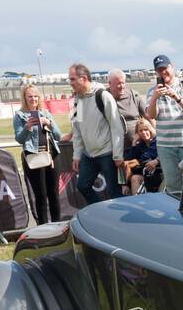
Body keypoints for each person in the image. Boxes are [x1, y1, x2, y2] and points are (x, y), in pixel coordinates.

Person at [68, 62, 123, 205]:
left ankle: (122, 223)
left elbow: (116, 126)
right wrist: (77, 155)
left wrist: (117, 155)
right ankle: (101, 213)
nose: (70, 83)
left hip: (107, 154)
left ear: (84, 78)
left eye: (73, 79)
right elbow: (78, 129)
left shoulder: (103, 96)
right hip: (89, 155)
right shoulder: (78, 101)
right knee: (82, 186)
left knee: (114, 194)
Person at [144, 54, 183, 193]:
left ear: (172, 67)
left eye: (165, 68)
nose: (163, 72)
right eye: (159, 70)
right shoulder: (152, 91)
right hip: (165, 146)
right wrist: (155, 97)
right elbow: (151, 115)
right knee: (173, 186)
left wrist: (176, 97)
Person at [12, 84, 63, 224]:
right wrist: (27, 127)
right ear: (24, 98)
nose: (33, 99)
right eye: (30, 96)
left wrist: (49, 123)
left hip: (52, 156)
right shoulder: (19, 116)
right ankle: (44, 228)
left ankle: (58, 226)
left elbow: (59, 136)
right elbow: (19, 139)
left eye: (35, 96)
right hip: (33, 158)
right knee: (41, 195)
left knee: (54, 195)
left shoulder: (46, 113)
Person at [108, 69, 146, 155]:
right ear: (110, 84)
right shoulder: (104, 98)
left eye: (123, 83)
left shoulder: (134, 95)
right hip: (114, 150)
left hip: (137, 147)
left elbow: (148, 117)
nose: (122, 86)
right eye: (118, 83)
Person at [122, 118, 160, 193]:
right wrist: (134, 143)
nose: (144, 132)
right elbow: (130, 158)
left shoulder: (157, 141)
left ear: (150, 129)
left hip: (159, 174)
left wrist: (137, 161)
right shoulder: (140, 144)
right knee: (134, 177)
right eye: (140, 131)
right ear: (137, 133)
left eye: (146, 129)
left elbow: (148, 156)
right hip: (145, 174)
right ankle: (135, 201)